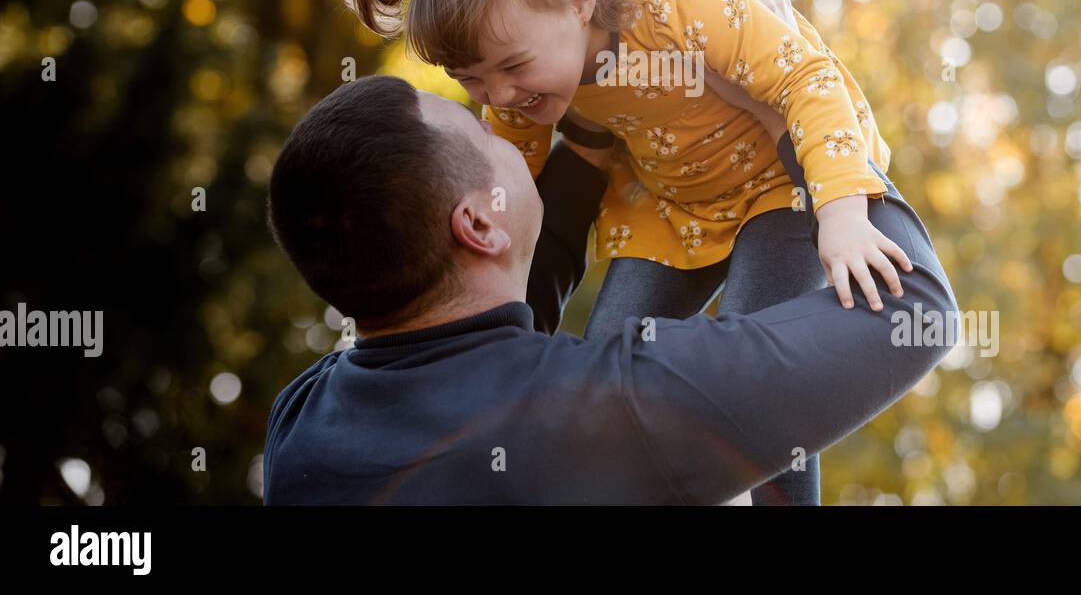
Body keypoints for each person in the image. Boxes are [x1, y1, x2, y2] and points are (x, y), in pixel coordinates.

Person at [321, 0, 906, 504]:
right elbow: (516, 195)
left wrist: (844, 213)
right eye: (472, 81)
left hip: (783, 187)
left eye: (512, 66)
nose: (500, 96)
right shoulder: (516, 86)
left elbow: (807, 80)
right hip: (671, 206)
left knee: (761, 368)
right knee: (602, 377)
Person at [262, 71, 959, 504]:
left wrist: (593, 148)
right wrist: (797, 128)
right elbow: (913, 309)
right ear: (477, 223)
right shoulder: (609, 410)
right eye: (482, 133)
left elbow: (491, 321)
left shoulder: (302, 429)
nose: (505, 127)